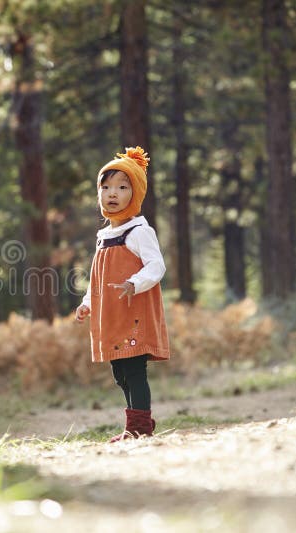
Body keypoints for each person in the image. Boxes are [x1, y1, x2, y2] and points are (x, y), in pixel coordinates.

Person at [75, 146, 170, 442]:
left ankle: (139, 426)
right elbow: (97, 280)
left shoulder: (139, 231)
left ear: (136, 194)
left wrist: (135, 282)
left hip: (133, 313)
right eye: (106, 187)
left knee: (134, 369)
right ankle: (138, 421)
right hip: (111, 316)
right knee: (120, 372)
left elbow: (157, 265)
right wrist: (88, 302)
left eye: (122, 187)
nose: (112, 193)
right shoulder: (104, 237)